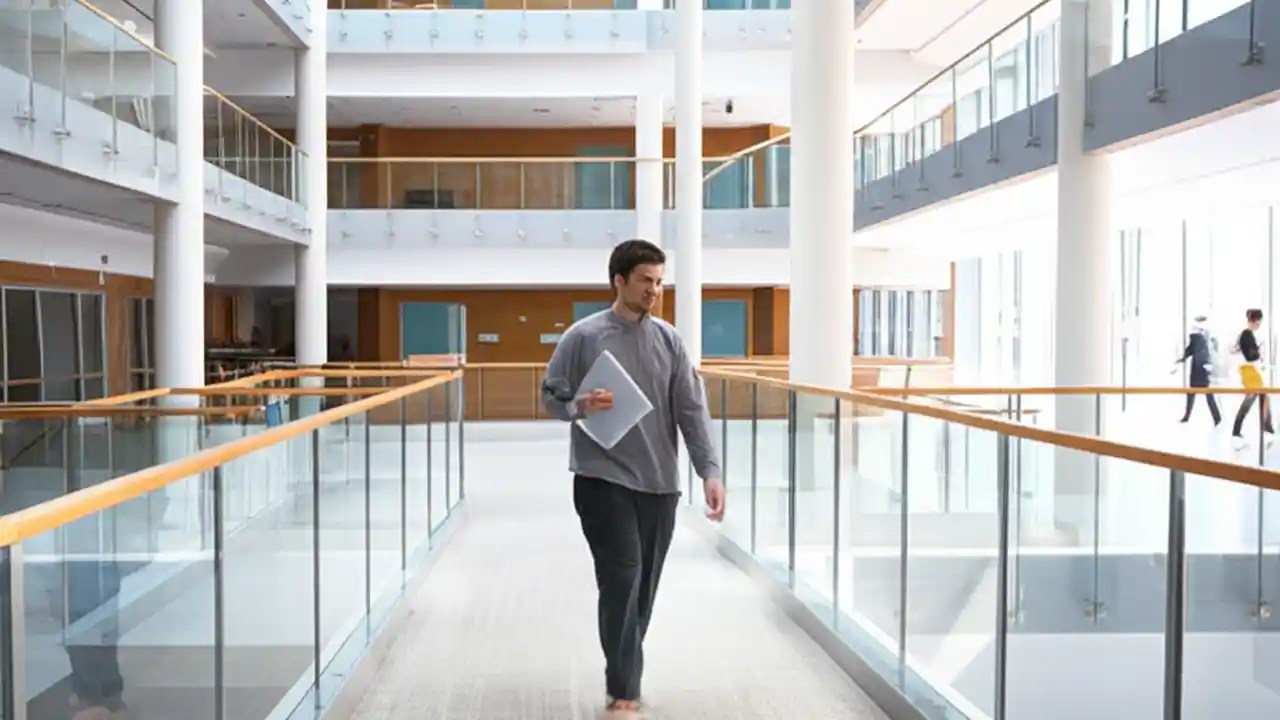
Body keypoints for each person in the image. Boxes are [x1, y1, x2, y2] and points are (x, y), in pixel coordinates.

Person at [541, 239, 725, 717]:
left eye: (660, 281)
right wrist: (582, 405)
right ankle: (625, 687)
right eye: (645, 280)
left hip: (660, 482)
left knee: (643, 587)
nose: (654, 290)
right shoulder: (582, 338)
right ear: (618, 281)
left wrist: (710, 470)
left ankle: (623, 663)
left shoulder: (670, 341)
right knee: (622, 576)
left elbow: (691, 409)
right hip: (601, 479)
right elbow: (550, 400)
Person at [1232, 308, 1274, 446]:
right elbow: (1251, 356)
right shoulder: (1246, 334)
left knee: (1262, 398)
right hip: (1250, 371)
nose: (1259, 325)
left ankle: (1267, 429)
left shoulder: (1246, 334)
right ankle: (1238, 433)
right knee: (1253, 401)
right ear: (1256, 321)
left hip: (1249, 371)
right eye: (1259, 322)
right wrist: (1258, 353)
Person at [1172, 315, 1221, 426]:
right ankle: (1216, 418)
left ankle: (1189, 417)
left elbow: (1191, 348)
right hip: (1203, 365)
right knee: (1202, 392)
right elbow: (1195, 348)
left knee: (1197, 392)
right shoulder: (1206, 334)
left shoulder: (1198, 334)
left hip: (1199, 365)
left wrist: (1183, 357)